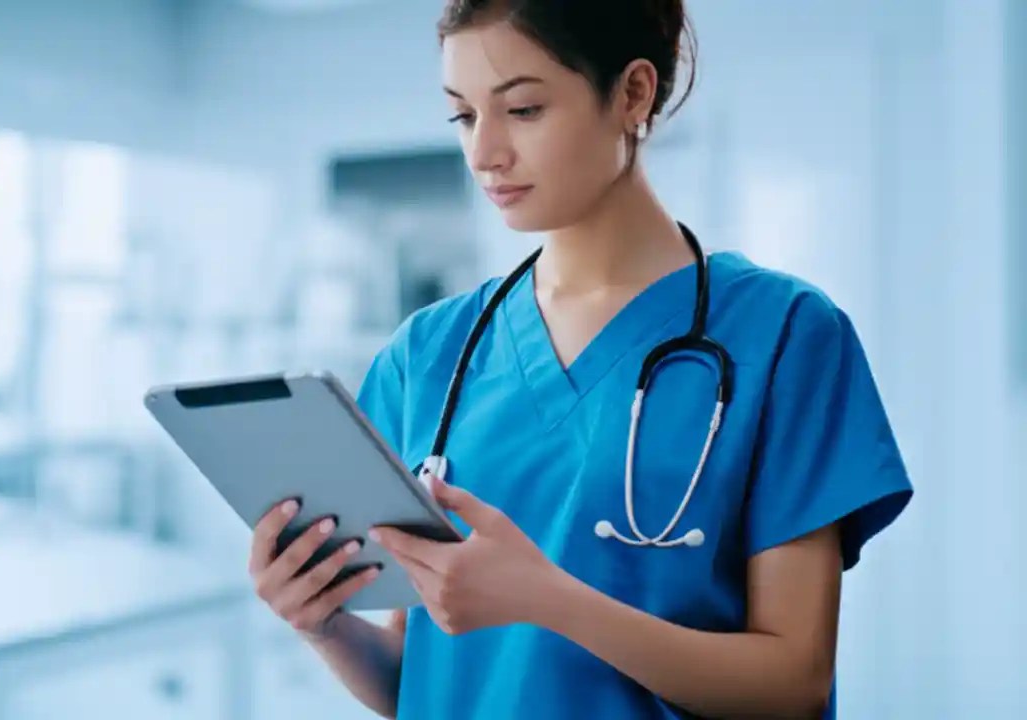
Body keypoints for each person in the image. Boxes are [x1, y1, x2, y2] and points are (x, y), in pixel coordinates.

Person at [247, 1, 913, 718]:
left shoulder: (783, 335)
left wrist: (550, 600)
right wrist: (324, 626)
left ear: (632, 93)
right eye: (464, 117)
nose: (484, 153)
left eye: (524, 109)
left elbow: (793, 684)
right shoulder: (426, 354)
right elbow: (426, 679)